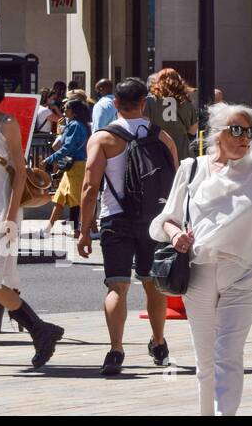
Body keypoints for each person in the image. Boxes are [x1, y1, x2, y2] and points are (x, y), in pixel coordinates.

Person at [151, 103, 252, 415]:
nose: (243, 138)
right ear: (217, 133)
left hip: (246, 272)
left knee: (228, 352)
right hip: (200, 271)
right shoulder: (192, 168)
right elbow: (165, 219)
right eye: (236, 130)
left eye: (249, 132)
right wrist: (175, 236)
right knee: (206, 359)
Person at [76, 77, 179, 376]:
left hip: (115, 218)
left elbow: (88, 188)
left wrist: (84, 230)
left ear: (116, 104)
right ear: (144, 103)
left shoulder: (103, 138)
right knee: (153, 283)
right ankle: (159, 343)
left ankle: (116, 350)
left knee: (117, 285)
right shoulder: (162, 137)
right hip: (153, 221)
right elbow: (175, 185)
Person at [0, 72, 66, 375]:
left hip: (4, 211)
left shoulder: (8, 125)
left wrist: (10, 217)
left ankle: (41, 330)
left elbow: (20, 173)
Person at [44, 98, 91, 235]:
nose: (64, 110)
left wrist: (50, 159)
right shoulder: (78, 124)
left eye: (66, 108)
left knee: (74, 200)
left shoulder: (75, 125)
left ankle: (83, 230)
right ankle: (50, 228)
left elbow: (67, 147)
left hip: (76, 167)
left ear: (74, 111)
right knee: (61, 198)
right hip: (75, 167)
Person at [145, 68, 199, 163]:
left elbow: (144, 124)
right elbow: (193, 130)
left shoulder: (149, 101)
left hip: (156, 147)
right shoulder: (185, 102)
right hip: (181, 148)